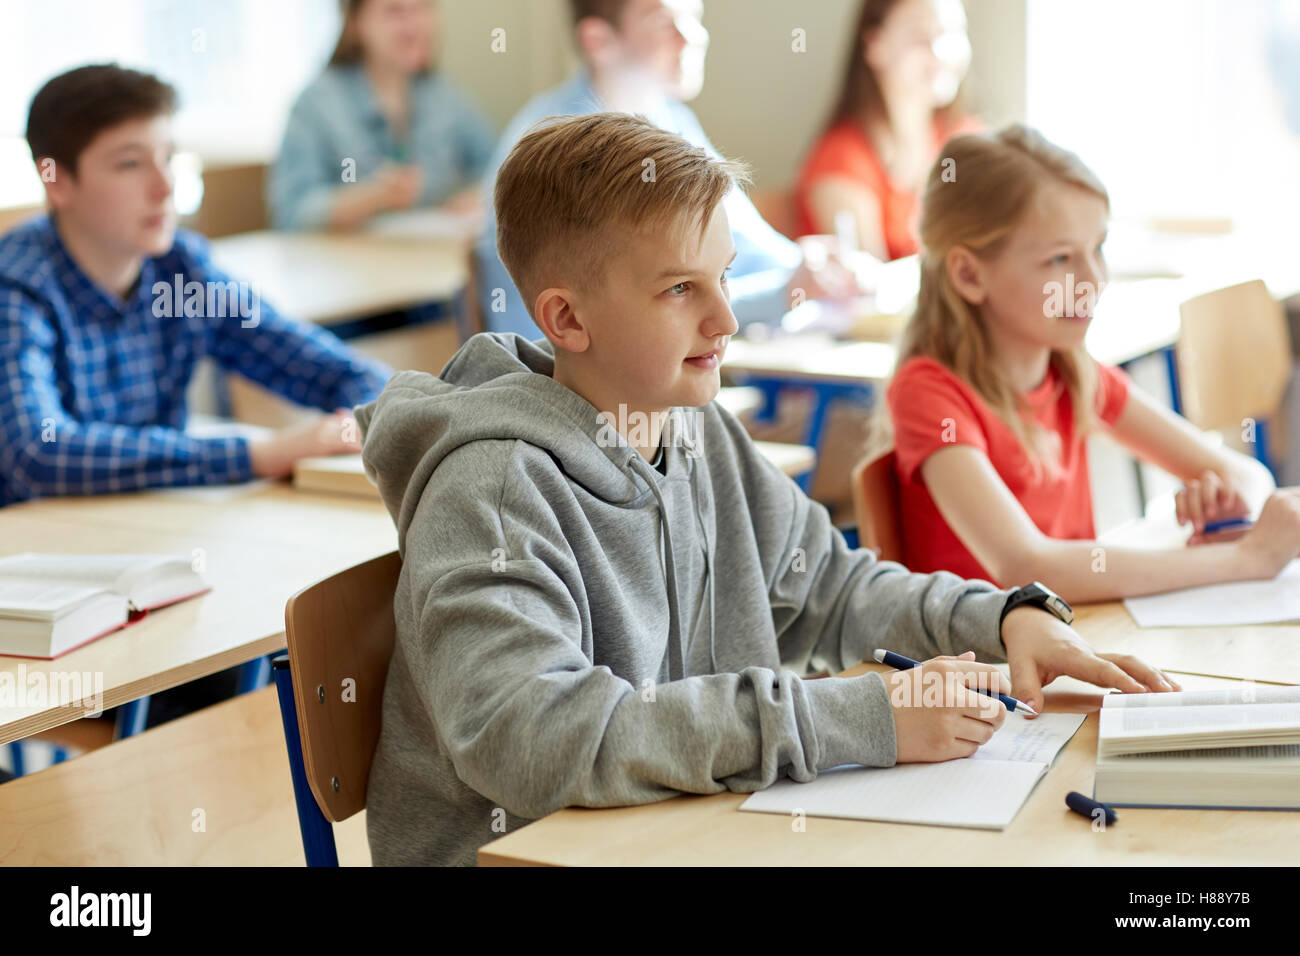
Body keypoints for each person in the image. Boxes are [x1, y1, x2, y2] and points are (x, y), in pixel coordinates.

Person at [356, 112, 1177, 866]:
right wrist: (857, 717)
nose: (725, 319)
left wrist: (1002, 619)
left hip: (679, 832)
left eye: (725, 277)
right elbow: (537, 739)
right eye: (681, 289)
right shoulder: (494, 491)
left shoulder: (691, 425)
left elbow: (829, 585)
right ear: (567, 320)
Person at [884, 124, 1300, 602]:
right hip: (979, 666)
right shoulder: (929, 394)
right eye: (1060, 259)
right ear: (968, 274)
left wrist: (1229, 504)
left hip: (1072, 640)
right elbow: (1027, 566)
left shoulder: (1073, 371)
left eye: (1097, 249)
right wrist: (1241, 560)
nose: (1091, 281)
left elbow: (1246, 474)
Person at [0, 64, 391, 508]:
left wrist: (355, 421)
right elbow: (37, 451)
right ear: (57, 181)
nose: (164, 187)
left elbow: (344, 373)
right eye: (129, 163)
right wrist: (258, 455)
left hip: (151, 531)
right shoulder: (16, 287)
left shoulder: (180, 269)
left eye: (168, 158)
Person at [473, 0, 866, 339]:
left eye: (693, 13)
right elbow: (637, 320)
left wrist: (814, 266)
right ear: (599, 40)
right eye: (664, 21)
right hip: (573, 393)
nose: (693, 36)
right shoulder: (569, 153)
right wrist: (787, 291)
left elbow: (750, 247)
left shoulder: (672, 119)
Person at [268, 0, 496, 230]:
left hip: (427, 256)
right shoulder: (315, 105)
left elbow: (496, 167)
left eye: (423, 8)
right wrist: (372, 197)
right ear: (356, 24)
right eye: (394, 11)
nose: (414, 26)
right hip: (346, 261)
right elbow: (292, 215)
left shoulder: (444, 96)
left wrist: (478, 195)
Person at [793, 0, 977, 260]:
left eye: (954, 31)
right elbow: (869, 291)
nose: (941, 51)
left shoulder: (967, 138)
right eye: (919, 36)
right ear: (874, 44)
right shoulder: (841, 161)